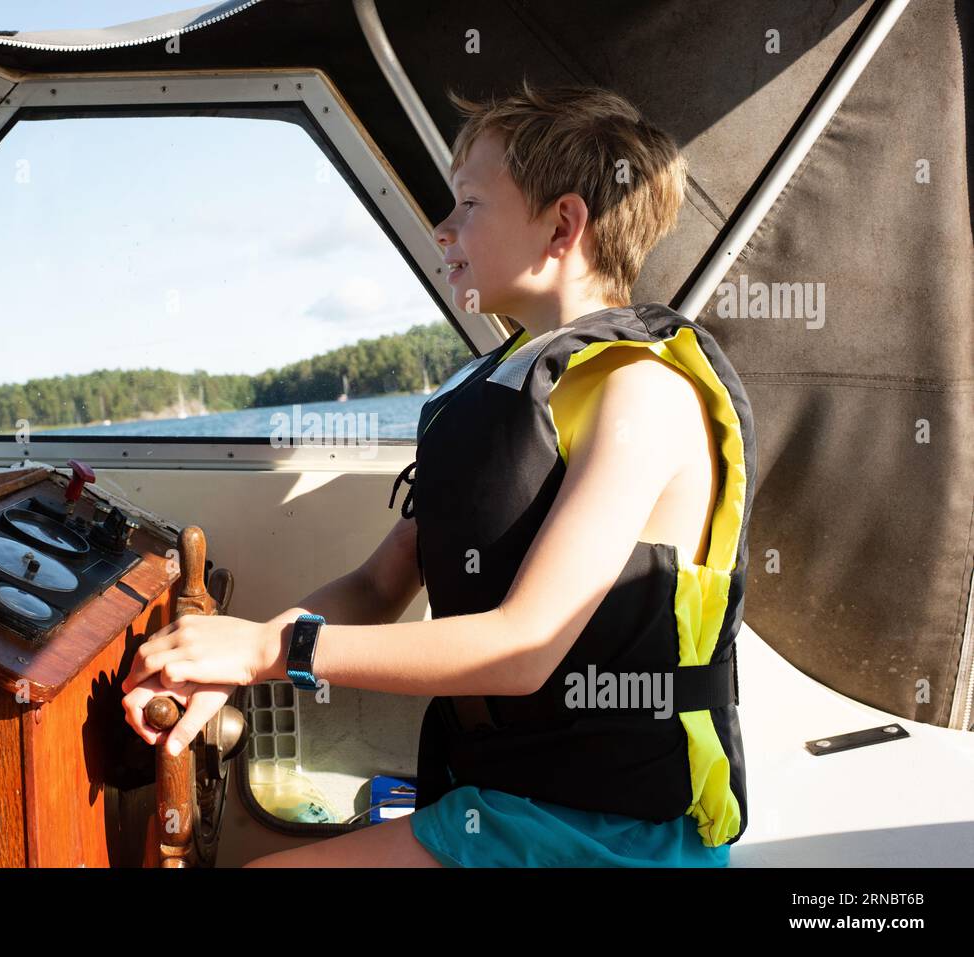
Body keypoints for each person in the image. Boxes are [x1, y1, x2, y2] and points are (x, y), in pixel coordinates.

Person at [121, 81, 754, 867]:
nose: (442, 228)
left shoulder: (640, 392)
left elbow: (525, 647)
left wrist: (268, 650)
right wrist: (234, 666)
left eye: (469, 204)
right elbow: (377, 586)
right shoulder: (498, 390)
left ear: (563, 223)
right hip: (499, 798)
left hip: (605, 829)